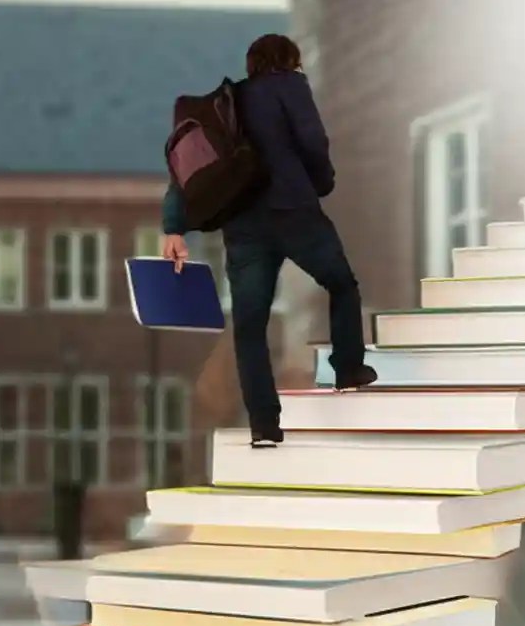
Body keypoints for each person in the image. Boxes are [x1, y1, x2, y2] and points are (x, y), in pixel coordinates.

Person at [160, 34, 377, 448]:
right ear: (288, 61)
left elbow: (186, 172)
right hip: (293, 211)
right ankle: (348, 369)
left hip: (243, 227)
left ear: (251, 63)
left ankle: (263, 424)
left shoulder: (225, 106)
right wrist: (320, 182)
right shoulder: (289, 86)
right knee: (341, 284)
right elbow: (313, 140)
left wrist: (174, 228)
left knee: (249, 327)